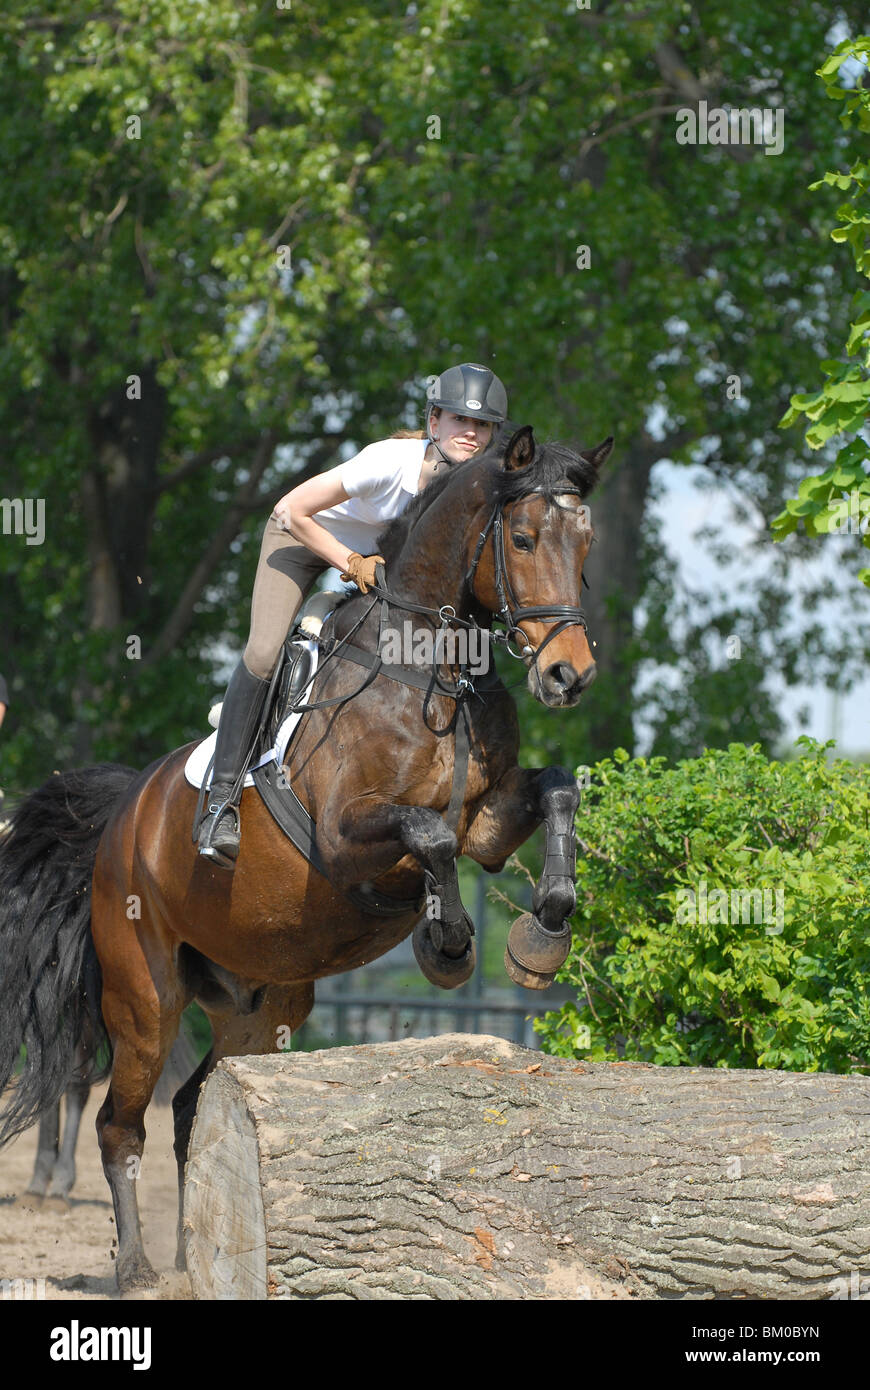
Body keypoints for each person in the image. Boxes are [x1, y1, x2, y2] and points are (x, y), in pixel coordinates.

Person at [198, 363, 509, 868]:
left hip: (381, 567)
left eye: (483, 426)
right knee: (264, 651)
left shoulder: (473, 488)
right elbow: (288, 510)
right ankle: (221, 801)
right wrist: (349, 562)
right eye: (459, 421)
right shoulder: (389, 462)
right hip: (303, 540)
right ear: (434, 422)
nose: (471, 433)